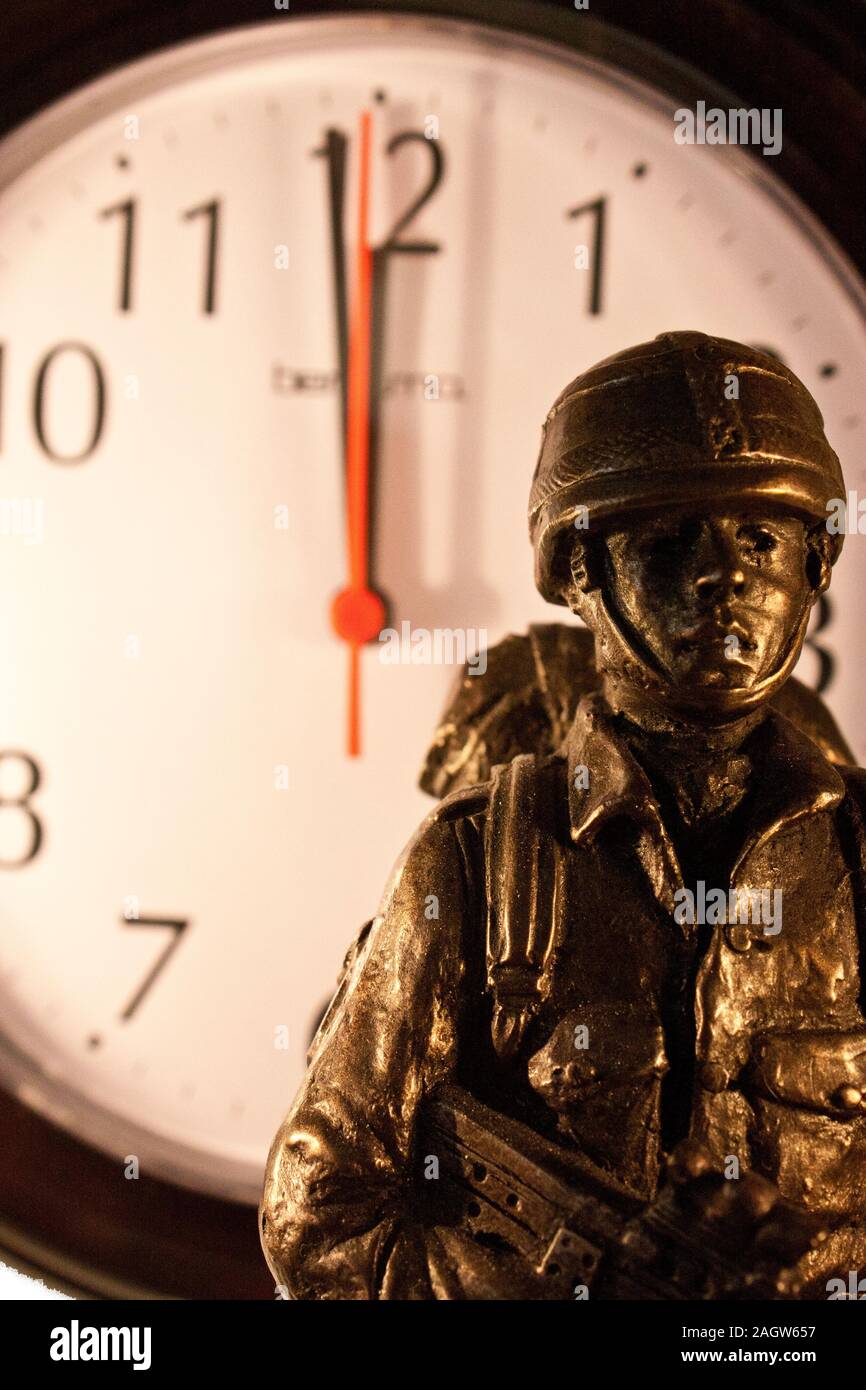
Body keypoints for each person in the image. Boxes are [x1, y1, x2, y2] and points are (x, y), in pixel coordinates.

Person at [261, 331, 866, 1299]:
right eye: (669, 540)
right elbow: (317, 1213)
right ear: (579, 571)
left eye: (760, 537)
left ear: (815, 562)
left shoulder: (854, 855)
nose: (725, 574)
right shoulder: (476, 864)